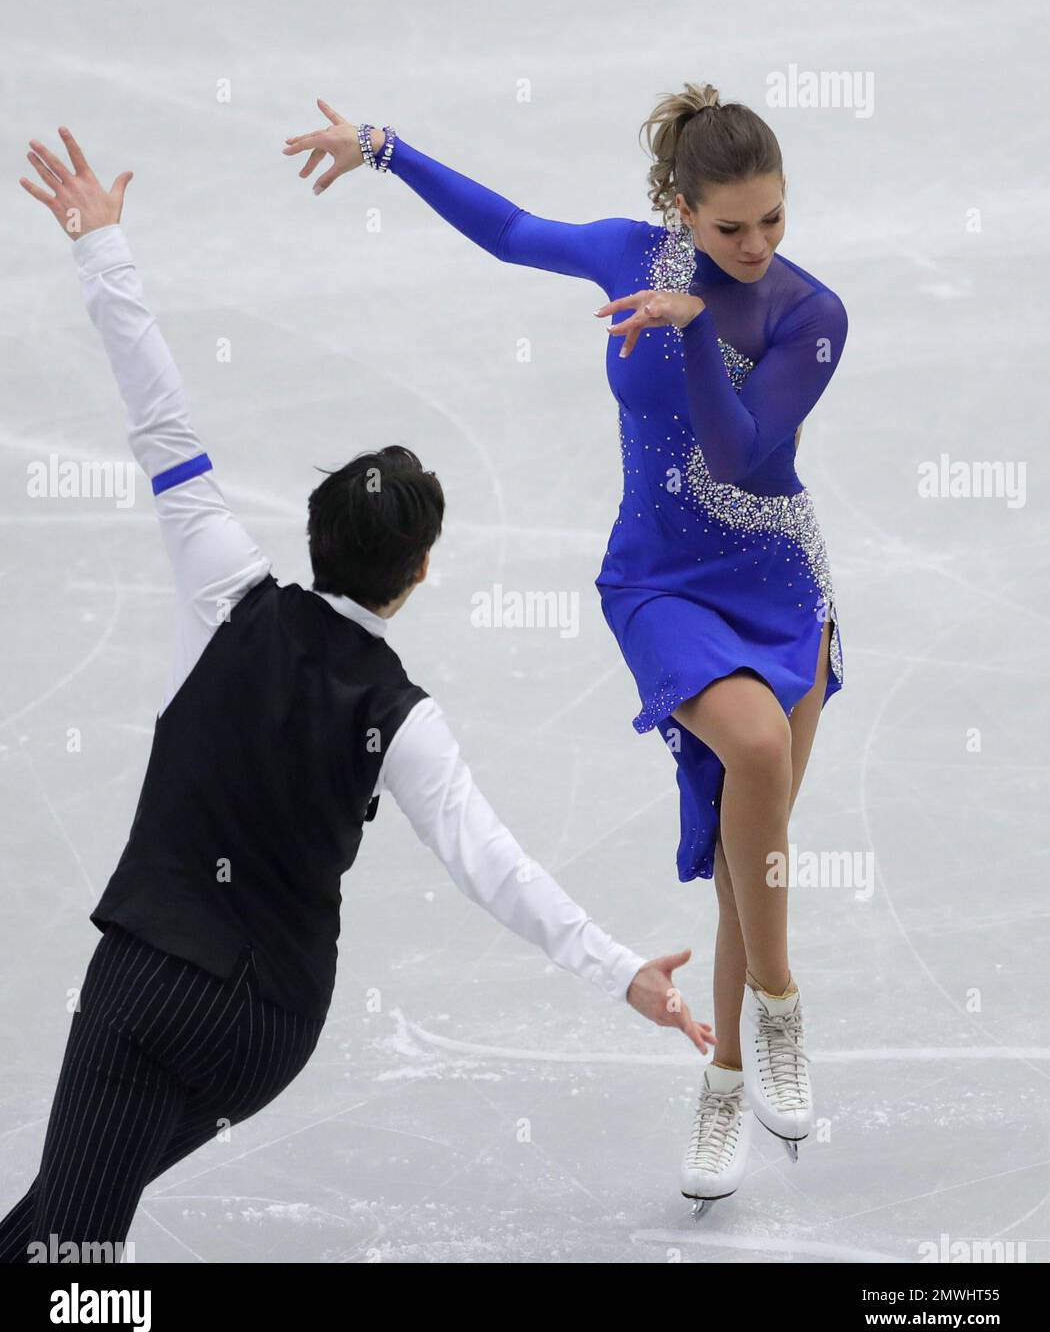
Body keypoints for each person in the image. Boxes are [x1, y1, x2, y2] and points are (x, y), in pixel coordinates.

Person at [1, 127, 714, 1263]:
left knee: (71, 1269)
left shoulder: (226, 590)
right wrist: (623, 970)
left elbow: (162, 423)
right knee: (51, 1228)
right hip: (273, 1027)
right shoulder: (404, 719)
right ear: (417, 575)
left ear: (311, 537)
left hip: (152, 986)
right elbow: (497, 866)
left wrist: (104, 250)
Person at [282, 81, 849, 1215]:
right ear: (680, 209)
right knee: (755, 757)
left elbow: (739, 456)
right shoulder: (626, 253)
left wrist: (693, 335)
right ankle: (779, 1001)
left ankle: (729, 1077)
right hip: (658, 580)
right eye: (730, 225)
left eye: (773, 220)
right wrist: (387, 148)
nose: (755, 245)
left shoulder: (810, 312)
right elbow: (509, 231)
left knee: (753, 846)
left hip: (778, 581)